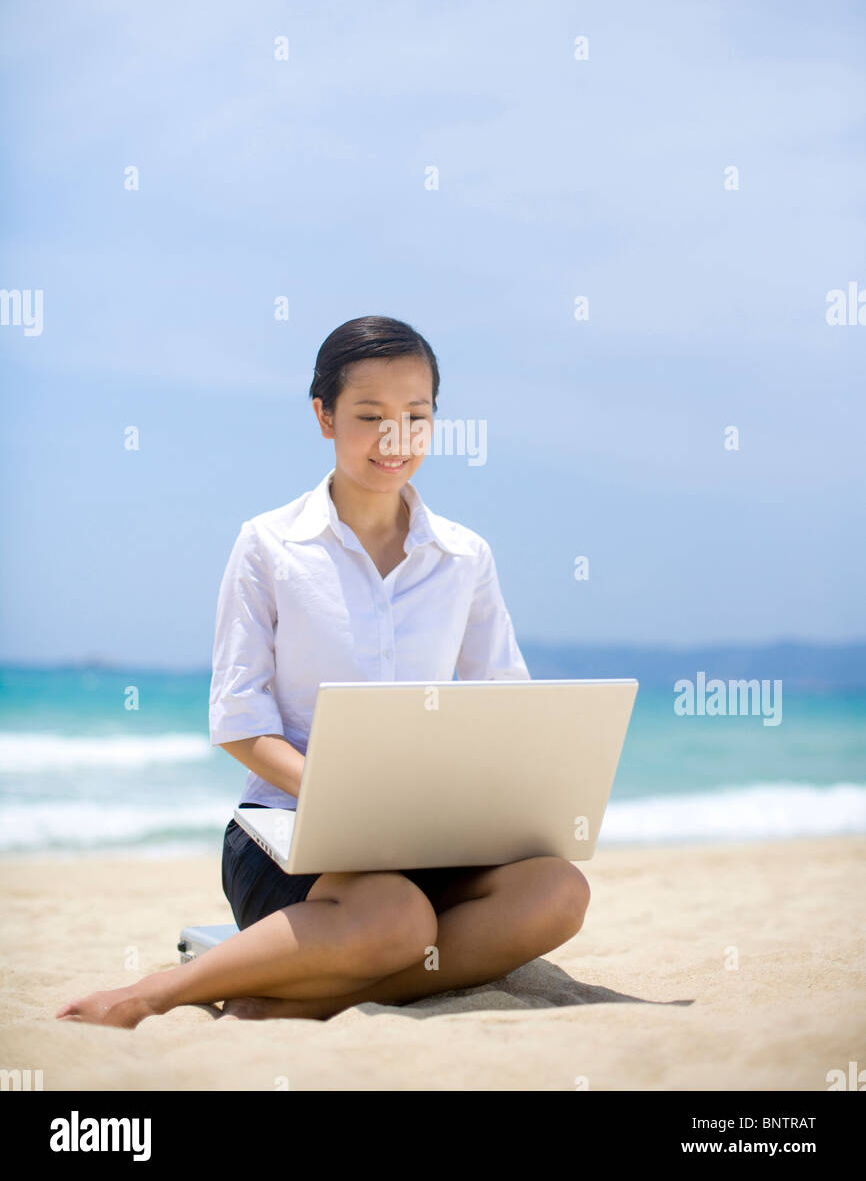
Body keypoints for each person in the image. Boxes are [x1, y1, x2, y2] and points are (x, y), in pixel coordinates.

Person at [57, 315, 588, 1029]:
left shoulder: (465, 558)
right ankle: (156, 993)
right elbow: (240, 723)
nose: (395, 439)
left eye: (416, 416)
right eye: (370, 416)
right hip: (288, 834)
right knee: (398, 920)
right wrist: (346, 800)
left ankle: (327, 997)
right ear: (324, 416)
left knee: (559, 891)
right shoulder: (269, 545)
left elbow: (507, 710)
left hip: (428, 839)